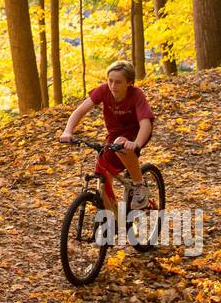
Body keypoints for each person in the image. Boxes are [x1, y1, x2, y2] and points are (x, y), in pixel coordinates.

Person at [60, 59, 154, 217]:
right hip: (114, 135)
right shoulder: (103, 91)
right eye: (110, 81)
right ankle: (114, 218)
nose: (113, 86)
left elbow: (145, 123)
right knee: (101, 174)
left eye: (118, 82)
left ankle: (139, 186)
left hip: (136, 134)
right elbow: (80, 111)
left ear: (129, 82)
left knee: (121, 143)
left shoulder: (136, 95)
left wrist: (136, 143)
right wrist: (68, 131)